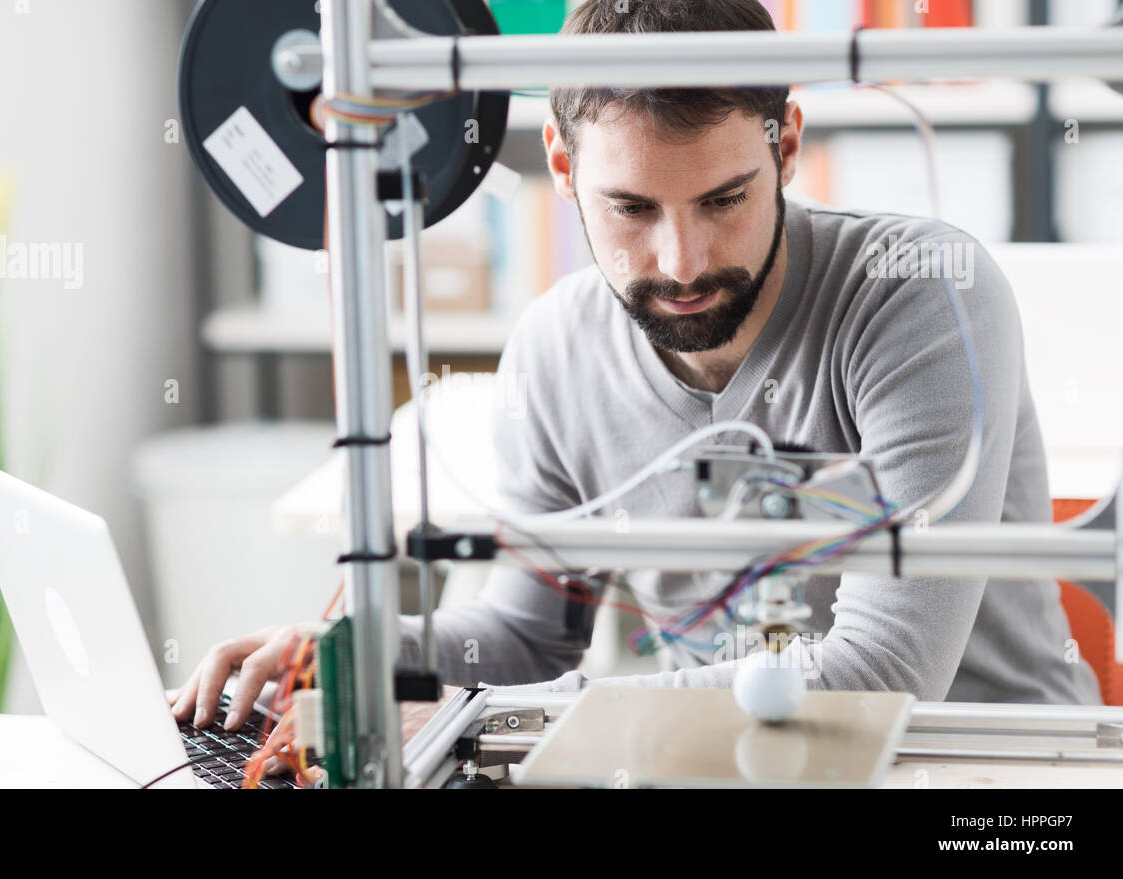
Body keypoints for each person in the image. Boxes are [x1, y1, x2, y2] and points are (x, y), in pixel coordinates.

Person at [171, 0, 1101, 738]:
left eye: (724, 198)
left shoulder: (919, 292)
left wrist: (494, 714)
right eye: (630, 208)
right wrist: (360, 656)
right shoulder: (551, 350)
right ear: (561, 164)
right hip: (723, 764)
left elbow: (878, 674)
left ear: (786, 145)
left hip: (991, 777)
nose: (683, 260)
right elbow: (523, 637)